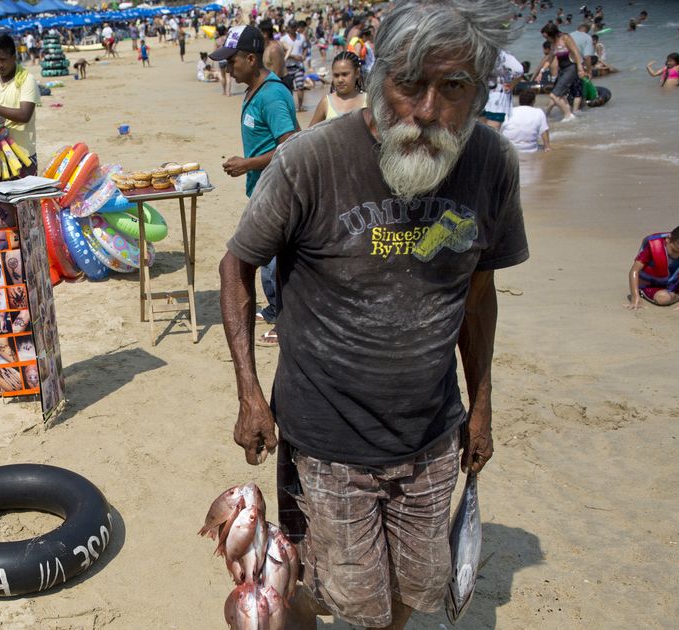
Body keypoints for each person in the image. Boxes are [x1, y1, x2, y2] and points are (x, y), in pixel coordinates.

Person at [219, 1, 527, 627]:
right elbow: (236, 266)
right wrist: (250, 393)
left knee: (418, 589)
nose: (428, 110)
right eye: (409, 83)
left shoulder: (491, 164)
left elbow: (478, 293)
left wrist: (482, 408)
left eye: (454, 88)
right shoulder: (311, 160)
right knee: (342, 593)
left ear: (479, 92)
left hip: (432, 433)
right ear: (376, 75)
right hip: (327, 437)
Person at [213, 24, 299, 348]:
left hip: (278, 192)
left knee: (274, 261)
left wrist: (246, 164)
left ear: (251, 59)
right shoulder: (253, 91)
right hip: (261, 189)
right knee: (269, 260)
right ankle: (275, 308)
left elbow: (290, 144)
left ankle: (284, 321)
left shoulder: (273, 95)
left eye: (231, 61)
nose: (227, 68)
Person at [0, 35, 41, 181]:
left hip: (22, 155)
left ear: (13, 57)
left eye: (3, 60)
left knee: (24, 202)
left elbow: (24, 115)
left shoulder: (26, 80)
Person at [626, 223, 679, 313]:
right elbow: (634, 270)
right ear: (668, 238)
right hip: (651, 285)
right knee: (663, 298)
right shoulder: (653, 244)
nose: (677, 255)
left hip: (675, 281)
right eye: (675, 250)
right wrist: (635, 297)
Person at [534, 22, 587, 121]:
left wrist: (580, 68)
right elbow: (550, 59)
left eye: (546, 37)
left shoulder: (565, 38)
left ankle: (568, 115)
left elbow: (576, 52)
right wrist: (541, 71)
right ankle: (570, 115)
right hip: (563, 70)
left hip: (571, 67)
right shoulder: (552, 43)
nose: (545, 39)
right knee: (561, 95)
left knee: (554, 95)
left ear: (552, 33)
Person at [308, 51, 367, 126]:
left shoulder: (368, 101)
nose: (340, 80)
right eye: (336, 75)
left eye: (345, 74)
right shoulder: (326, 102)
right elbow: (309, 134)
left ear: (357, 73)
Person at [480, 49, 524, 130]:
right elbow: (519, 70)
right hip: (497, 96)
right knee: (492, 131)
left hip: (480, 93)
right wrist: (512, 85)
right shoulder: (503, 55)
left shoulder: (478, 51)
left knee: (479, 130)